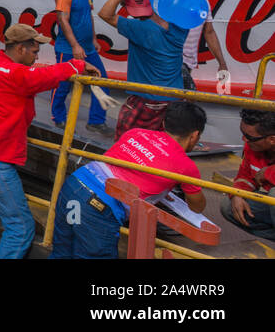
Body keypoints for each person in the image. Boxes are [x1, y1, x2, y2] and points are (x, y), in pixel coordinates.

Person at [0, 24, 92, 259]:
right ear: (20, 49)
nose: (37, 56)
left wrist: (59, 67)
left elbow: (36, 73)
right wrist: (77, 65)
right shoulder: (18, 75)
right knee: (21, 228)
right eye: (34, 52)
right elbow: (42, 76)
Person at [51, 101, 208, 259]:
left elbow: (131, 169)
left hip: (74, 184)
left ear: (164, 123)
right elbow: (196, 207)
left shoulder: (136, 133)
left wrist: (161, 190)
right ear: (194, 135)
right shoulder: (186, 166)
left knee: (62, 252)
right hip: (99, 206)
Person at [97, 0, 190, 139]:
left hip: (148, 100)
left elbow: (105, 14)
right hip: (174, 100)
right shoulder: (181, 28)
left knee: (127, 147)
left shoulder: (141, 28)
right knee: (162, 149)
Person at [50, 0, 109, 134]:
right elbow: (62, 20)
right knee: (63, 85)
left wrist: (93, 39)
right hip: (68, 49)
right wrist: (75, 45)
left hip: (88, 48)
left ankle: (96, 121)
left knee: (101, 80)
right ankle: (58, 118)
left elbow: (88, 16)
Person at [224, 108, 275, 240]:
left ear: (272, 139)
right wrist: (238, 194)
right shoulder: (253, 146)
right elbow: (245, 176)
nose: (244, 139)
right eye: (242, 133)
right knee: (229, 207)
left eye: (250, 137)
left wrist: (269, 172)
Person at [181, 0, 230, 91]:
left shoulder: (203, 2)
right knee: (188, 97)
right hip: (174, 61)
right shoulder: (173, 1)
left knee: (183, 99)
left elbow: (209, 32)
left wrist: (222, 63)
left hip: (189, 62)